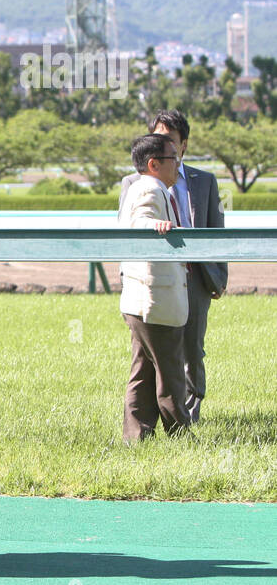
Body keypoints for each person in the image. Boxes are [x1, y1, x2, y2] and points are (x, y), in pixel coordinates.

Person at [119, 110, 226, 424]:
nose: (167, 147)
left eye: (171, 141)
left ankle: (171, 420)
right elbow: (132, 221)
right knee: (157, 358)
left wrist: (218, 276)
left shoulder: (203, 181)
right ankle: (175, 426)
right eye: (160, 139)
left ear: (183, 145)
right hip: (154, 283)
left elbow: (217, 230)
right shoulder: (139, 183)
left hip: (195, 277)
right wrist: (154, 226)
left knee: (191, 350)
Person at [119, 133, 192, 442]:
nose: (178, 164)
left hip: (139, 300)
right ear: (153, 164)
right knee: (171, 373)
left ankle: (136, 437)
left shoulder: (142, 186)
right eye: (173, 158)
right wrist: (156, 226)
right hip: (155, 300)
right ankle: (181, 438)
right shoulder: (150, 187)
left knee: (143, 373)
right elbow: (141, 221)